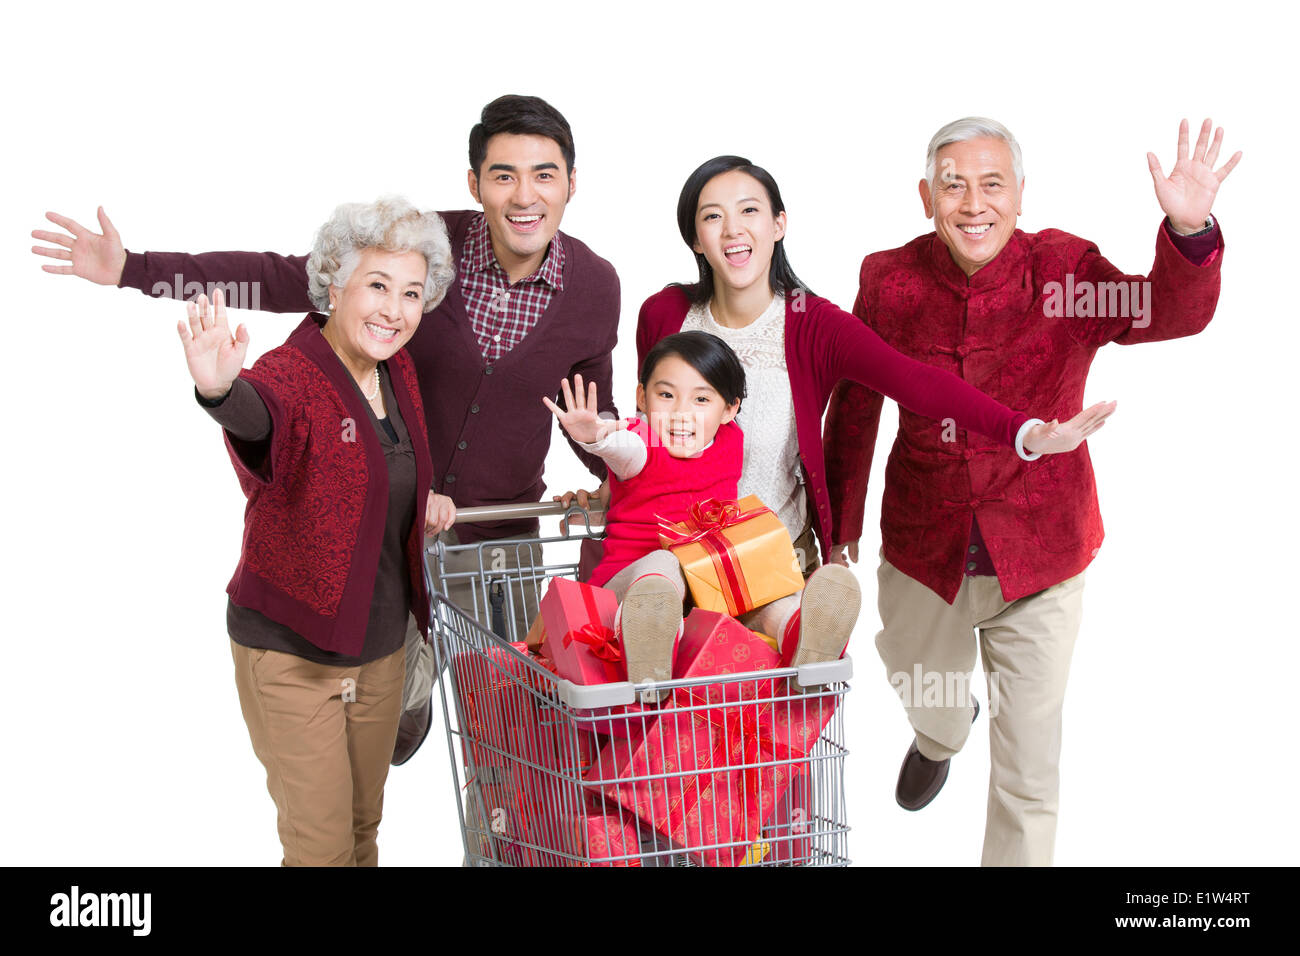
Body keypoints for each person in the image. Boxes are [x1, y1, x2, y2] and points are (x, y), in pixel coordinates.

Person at [30, 94, 620, 765]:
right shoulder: (421, 248)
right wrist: (133, 270)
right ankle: (409, 682)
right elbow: (282, 279)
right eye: (504, 174)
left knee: (513, 740)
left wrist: (625, 469)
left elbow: (588, 411)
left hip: (492, 544)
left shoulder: (595, 286)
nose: (525, 195)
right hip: (385, 525)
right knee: (376, 734)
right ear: (475, 183)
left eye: (544, 174)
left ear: (572, 183)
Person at [823, 117, 1236, 866]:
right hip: (926, 547)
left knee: (1028, 774)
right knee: (931, 699)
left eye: (991, 184)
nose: (972, 204)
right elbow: (857, 397)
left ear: (1019, 195)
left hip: (1043, 554)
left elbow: (1165, 311)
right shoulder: (890, 280)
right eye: (953, 185)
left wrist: (1190, 228)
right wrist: (839, 518)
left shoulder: (1066, 273)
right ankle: (943, 733)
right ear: (926, 197)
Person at [635, 155, 1112, 597]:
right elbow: (650, 422)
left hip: (773, 557)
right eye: (713, 216)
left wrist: (1023, 431)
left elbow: (920, 383)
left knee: (761, 678)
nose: (733, 231)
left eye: (750, 211)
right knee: (659, 667)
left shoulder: (814, 324)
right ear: (695, 237)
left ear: (779, 224)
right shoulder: (666, 314)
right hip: (673, 551)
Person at [178, 197, 456, 864]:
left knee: (362, 834)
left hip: (382, 650)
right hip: (294, 654)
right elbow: (262, 415)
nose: (394, 309)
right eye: (378, 286)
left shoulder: (399, 371)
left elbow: (380, 476)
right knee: (321, 849)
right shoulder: (292, 372)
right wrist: (221, 392)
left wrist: (426, 501)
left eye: (411, 293)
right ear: (336, 285)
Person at [545, 332, 862, 694]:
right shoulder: (643, 442)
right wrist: (596, 437)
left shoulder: (730, 440)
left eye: (701, 399)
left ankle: (800, 631)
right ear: (642, 399)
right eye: (666, 395)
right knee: (665, 563)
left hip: (704, 590)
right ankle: (646, 636)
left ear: (729, 409)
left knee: (753, 584)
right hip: (624, 592)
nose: (681, 412)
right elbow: (623, 448)